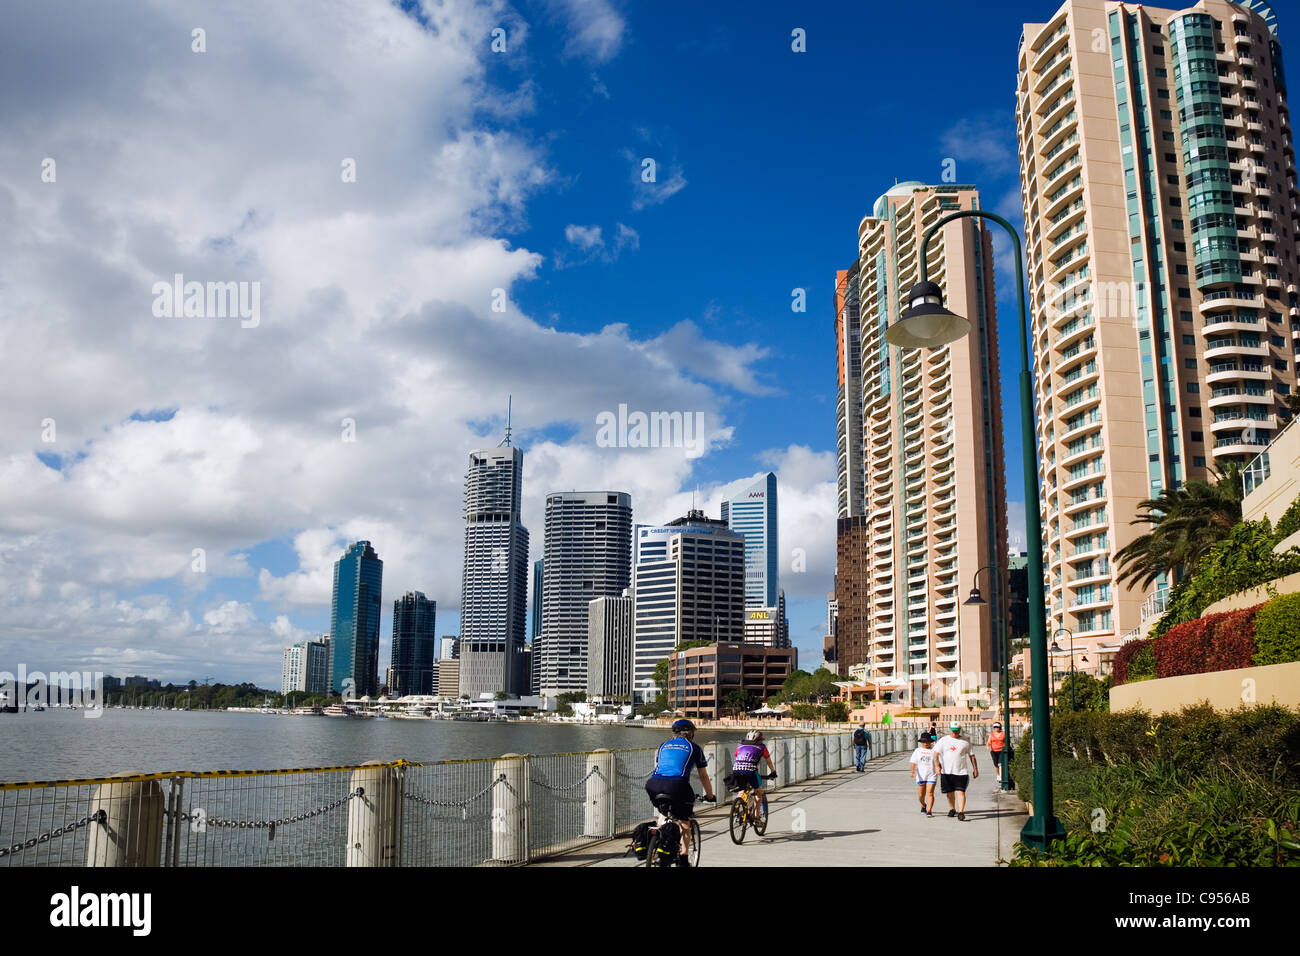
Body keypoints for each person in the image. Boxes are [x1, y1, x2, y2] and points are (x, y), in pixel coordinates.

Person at [645, 718, 716, 866]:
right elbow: (703, 776)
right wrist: (710, 795)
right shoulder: (694, 747)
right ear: (690, 733)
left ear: (674, 733)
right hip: (678, 785)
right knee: (684, 822)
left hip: (653, 784)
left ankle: (659, 841)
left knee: (663, 814)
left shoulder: (663, 745)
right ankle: (683, 858)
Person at [932, 722, 978, 820]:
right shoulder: (943, 740)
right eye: (953, 731)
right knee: (949, 793)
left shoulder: (966, 741)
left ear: (960, 730)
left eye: (957, 731)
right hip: (947, 771)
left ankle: (961, 812)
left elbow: (972, 755)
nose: (955, 733)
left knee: (961, 792)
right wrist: (937, 766)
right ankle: (952, 809)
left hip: (961, 771)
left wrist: (975, 769)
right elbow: (935, 754)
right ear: (950, 730)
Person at [732, 730, 777, 815]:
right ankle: (757, 816)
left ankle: (737, 805)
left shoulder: (739, 746)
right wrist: (773, 772)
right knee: (758, 792)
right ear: (759, 740)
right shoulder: (762, 747)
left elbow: (737, 757)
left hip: (736, 769)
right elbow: (769, 761)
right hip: (751, 770)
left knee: (742, 789)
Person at [909, 733, 938, 816]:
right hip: (921, 775)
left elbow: (938, 761)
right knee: (921, 795)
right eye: (924, 741)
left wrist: (939, 768)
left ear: (930, 742)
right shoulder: (917, 751)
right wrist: (912, 771)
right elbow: (913, 762)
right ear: (921, 742)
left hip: (932, 774)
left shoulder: (934, 751)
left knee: (930, 793)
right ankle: (923, 805)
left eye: (928, 741)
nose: (926, 743)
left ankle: (929, 810)